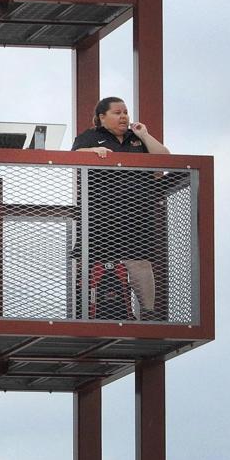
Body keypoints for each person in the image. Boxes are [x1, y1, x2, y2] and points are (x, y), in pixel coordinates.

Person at [71, 97, 170, 319]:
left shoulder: (137, 139)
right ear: (101, 117)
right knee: (90, 262)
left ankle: (148, 313)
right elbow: (73, 156)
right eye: (117, 112)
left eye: (125, 112)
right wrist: (93, 153)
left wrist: (144, 134)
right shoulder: (91, 137)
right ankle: (86, 312)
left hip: (137, 214)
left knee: (140, 263)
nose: (123, 116)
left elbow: (164, 160)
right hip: (100, 215)